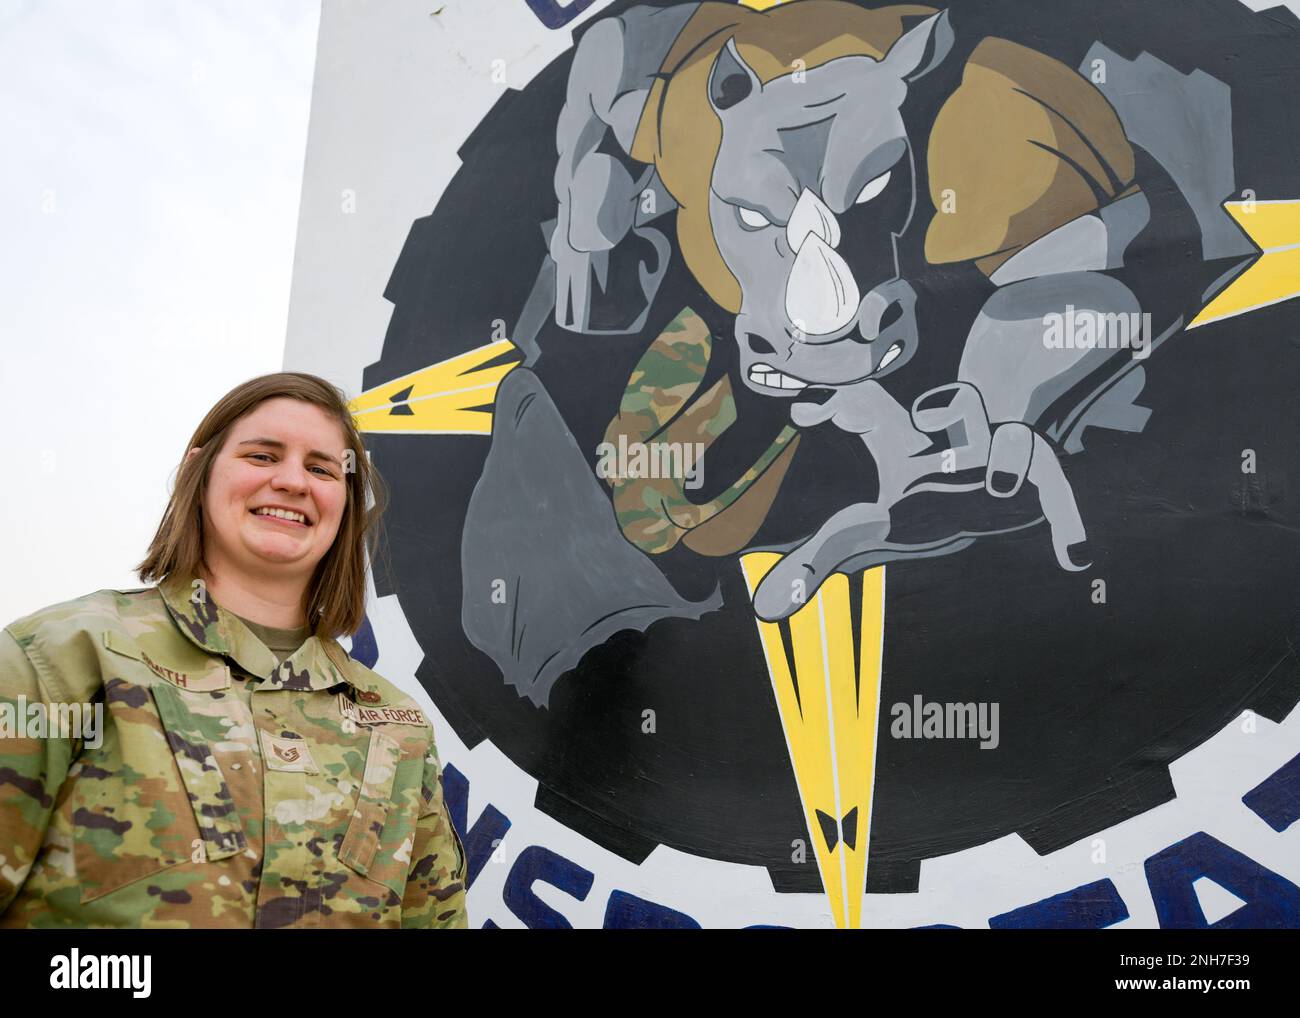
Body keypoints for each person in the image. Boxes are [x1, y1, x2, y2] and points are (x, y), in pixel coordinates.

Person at [0, 372, 468, 928]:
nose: (293, 481)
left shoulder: (398, 728)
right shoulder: (61, 657)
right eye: (262, 456)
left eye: (321, 468)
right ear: (199, 471)